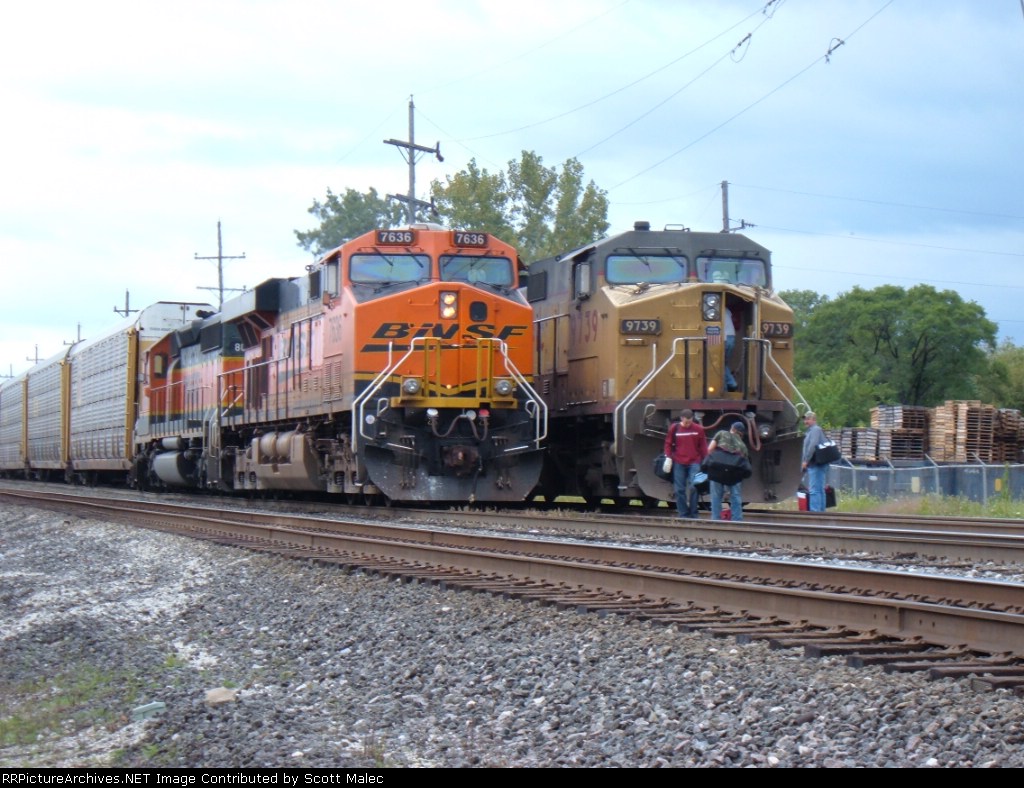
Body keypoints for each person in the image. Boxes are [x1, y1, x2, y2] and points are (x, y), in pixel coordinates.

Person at [664, 409, 708, 518]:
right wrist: (668, 457)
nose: (687, 424)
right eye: (685, 422)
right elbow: (668, 443)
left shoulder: (698, 429)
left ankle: (693, 512)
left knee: (694, 487)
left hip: (695, 462)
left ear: (692, 419)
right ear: (681, 419)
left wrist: (706, 460)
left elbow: (703, 446)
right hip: (679, 462)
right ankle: (683, 514)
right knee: (679, 489)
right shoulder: (675, 429)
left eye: (689, 421)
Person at [706, 420, 748, 521]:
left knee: (716, 497)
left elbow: (710, 450)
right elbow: (743, 462)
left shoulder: (721, 434)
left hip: (717, 470)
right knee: (736, 496)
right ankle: (737, 520)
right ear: (741, 434)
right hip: (733, 473)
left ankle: (716, 519)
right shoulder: (742, 445)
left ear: (732, 429)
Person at [801, 411, 829, 512]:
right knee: (819, 489)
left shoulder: (815, 430)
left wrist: (805, 460)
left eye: (808, 419)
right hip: (816, 463)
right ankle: (821, 512)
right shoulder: (811, 431)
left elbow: (812, 446)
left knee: (814, 490)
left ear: (814, 420)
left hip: (816, 463)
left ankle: (815, 512)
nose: (806, 421)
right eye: (805, 419)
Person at [723, 305, 738, 392]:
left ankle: (730, 383)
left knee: (720, 364)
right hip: (731, 337)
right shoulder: (727, 310)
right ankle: (729, 384)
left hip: (724, 338)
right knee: (723, 364)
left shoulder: (716, 309)